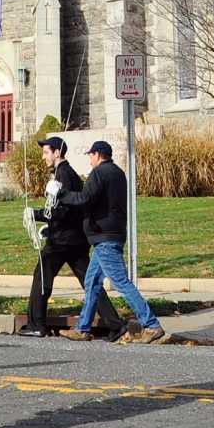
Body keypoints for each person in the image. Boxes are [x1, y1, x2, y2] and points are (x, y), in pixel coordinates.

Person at [60, 141, 166, 344]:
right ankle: (82, 328)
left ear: (98, 155)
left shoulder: (99, 173)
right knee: (91, 282)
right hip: (110, 234)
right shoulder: (118, 173)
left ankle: (151, 324)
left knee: (121, 282)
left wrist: (61, 194)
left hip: (104, 236)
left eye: (90, 155)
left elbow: (84, 198)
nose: (89, 159)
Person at [21, 136, 124, 339]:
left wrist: (36, 214)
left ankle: (37, 324)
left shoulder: (62, 175)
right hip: (75, 239)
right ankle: (115, 324)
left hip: (62, 241)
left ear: (57, 153)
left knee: (41, 278)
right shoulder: (65, 173)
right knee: (90, 282)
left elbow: (60, 211)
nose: (43, 157)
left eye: (46, 152)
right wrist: (47, 225)